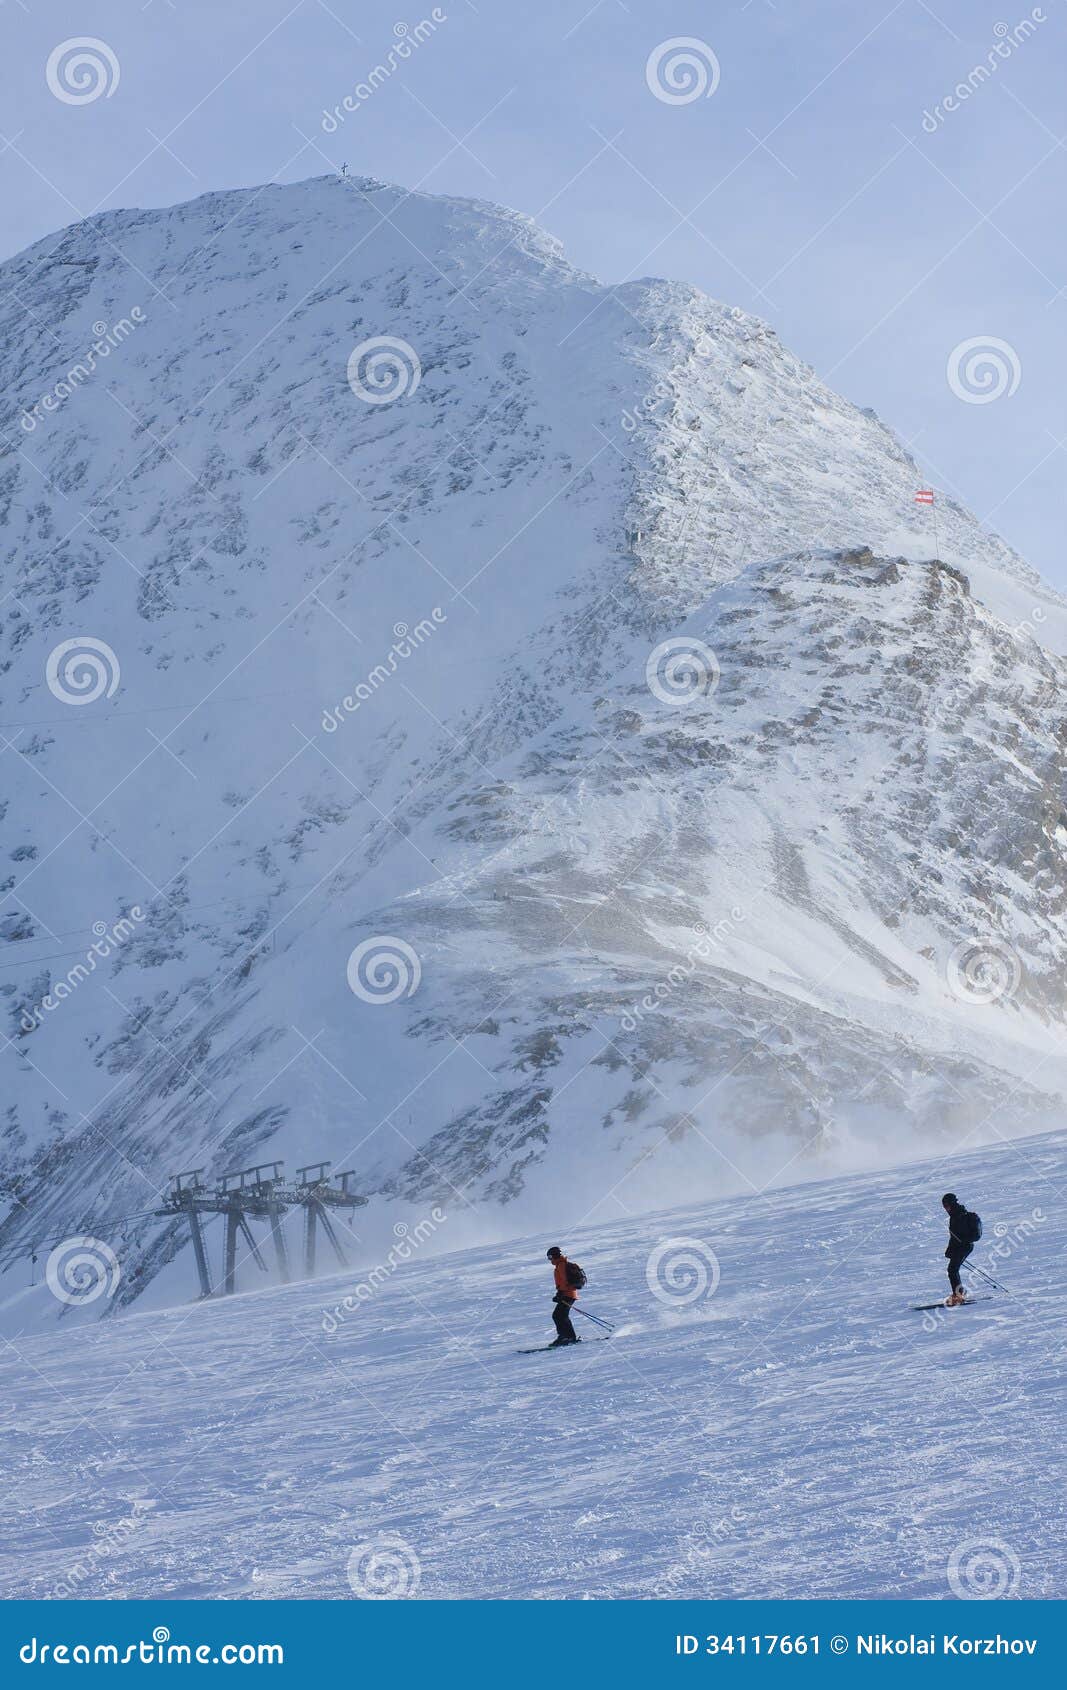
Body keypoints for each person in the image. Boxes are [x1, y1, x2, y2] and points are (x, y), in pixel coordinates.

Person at [942, 1192, 979, 1305]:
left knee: (952, 1269)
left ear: (952, 1204)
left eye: (947, 1206)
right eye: (944, 1206)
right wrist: (949, 1250)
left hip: (966, 1246)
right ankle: (959, 1294)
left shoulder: (963, 1215)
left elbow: (974, 1235)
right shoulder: (953, 1217)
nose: (945, 1209)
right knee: (952, 1269)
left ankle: (958, 1296)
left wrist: (964, 1240)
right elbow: (953, 1236)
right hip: (959, 1247)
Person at [546, 1245, 579, 1346]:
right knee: (561, 1316)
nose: (549, 1260)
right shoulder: (561, 1264)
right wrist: (559, 1293)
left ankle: (565, 1337)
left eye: (550, 1257)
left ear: (554, 1256)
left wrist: (561, 1293)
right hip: (568, 1294)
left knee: (558, 1315)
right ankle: (569, 1337)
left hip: (567, 1294)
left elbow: (565, 1281)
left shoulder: (561, 1265)